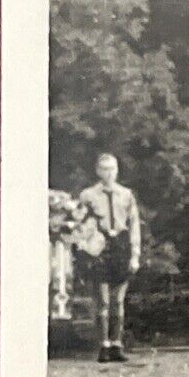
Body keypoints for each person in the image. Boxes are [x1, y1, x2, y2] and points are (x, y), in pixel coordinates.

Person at [79, 152, 141, 363]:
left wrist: (135, 255)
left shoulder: (126, 195)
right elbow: (82, 226)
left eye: (112, 169)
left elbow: (134, 227)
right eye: (104, 169)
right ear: (97, 171)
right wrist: (87, 248)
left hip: (121, 247)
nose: (109, 173)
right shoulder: (88, 195)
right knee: (102, 300)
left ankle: (117, 344)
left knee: (118, 300)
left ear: (117, 170)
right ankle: (103, 346)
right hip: (99, 247)